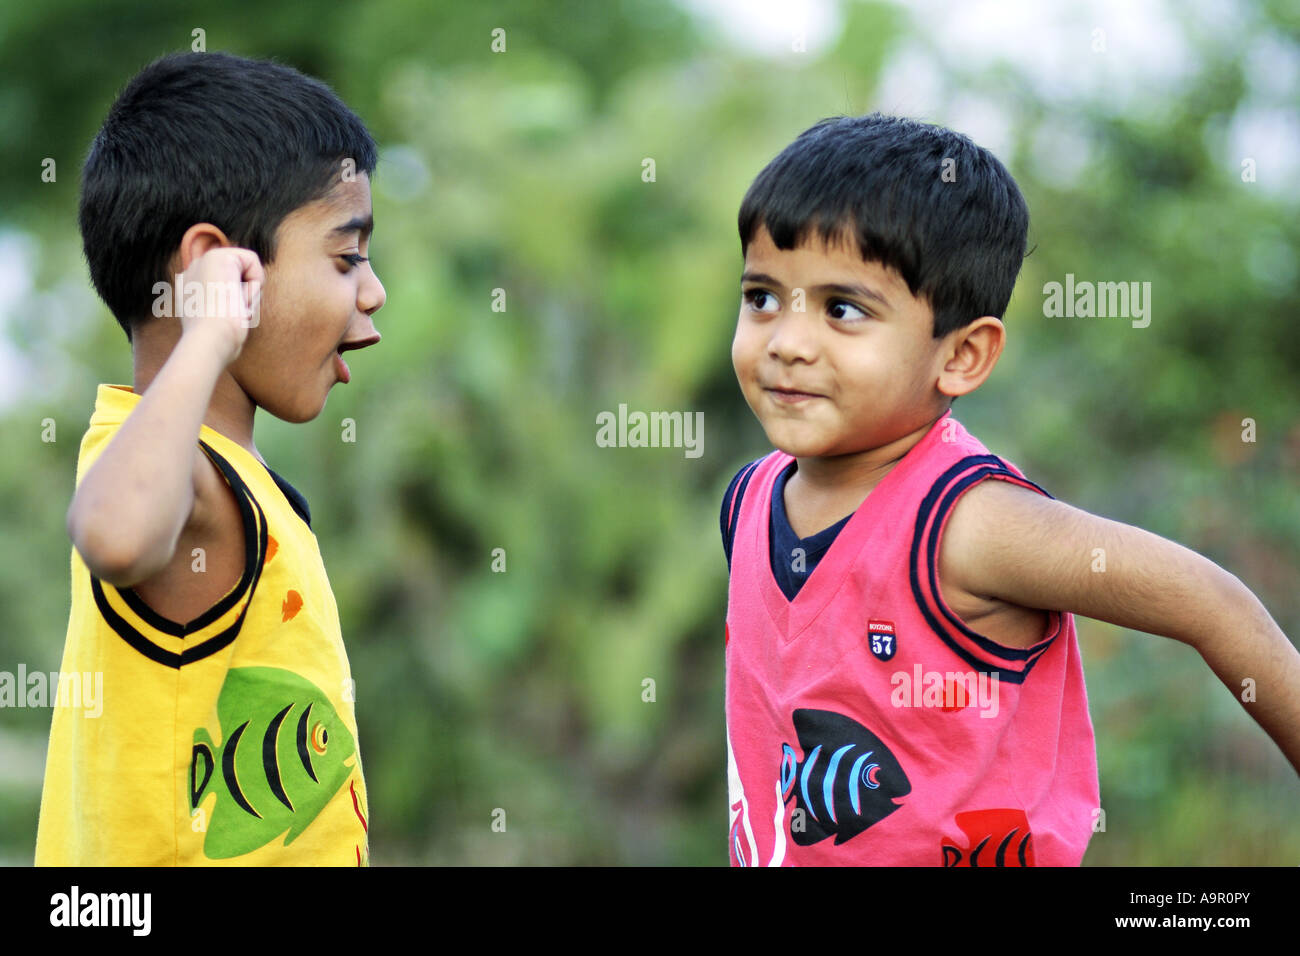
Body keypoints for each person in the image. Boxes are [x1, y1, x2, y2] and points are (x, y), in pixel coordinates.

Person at [720, 112, 1300, 866]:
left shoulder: (969, 526)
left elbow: (1212, 603)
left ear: (962, 355)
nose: (787, 342)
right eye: (763, 296)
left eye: (842, 310)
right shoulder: (750, 502)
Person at [35, 51, 385, 865]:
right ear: (213, 270)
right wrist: (209, 337)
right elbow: (115, 534)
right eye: (346, 258)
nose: (372, 293)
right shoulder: (176, 475)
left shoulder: (247, 493)